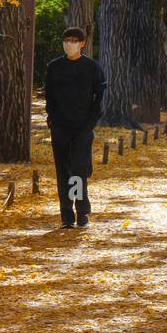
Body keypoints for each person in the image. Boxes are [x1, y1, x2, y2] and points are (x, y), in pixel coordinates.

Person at [45, 27, 107, 229]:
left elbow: (100, 98)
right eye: (66, 40)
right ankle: (66, 215)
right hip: (60, 127)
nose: (69, 44)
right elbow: (49, 96)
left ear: (82, 43)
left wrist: (89, 123)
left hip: (82, 127)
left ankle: (82, 212)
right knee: (63, 171)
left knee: (78, 171)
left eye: (73, 40)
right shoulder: (54, 67)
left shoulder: (92, 68)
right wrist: (53, 120)